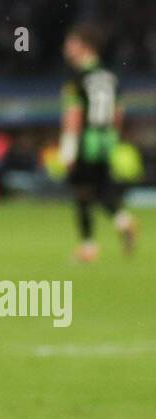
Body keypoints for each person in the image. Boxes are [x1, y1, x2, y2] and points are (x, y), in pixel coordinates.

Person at [60, 24, 137, 262]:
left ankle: (88, 246)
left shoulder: (77, 78)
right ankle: (123, 220)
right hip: (106, 139)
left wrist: (69, 148)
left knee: (82, 191)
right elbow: (119, 112)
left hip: (86, 139)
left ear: (84, 47)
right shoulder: (111, 76)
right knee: (100, 186)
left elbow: (73, 115)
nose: (66, 49)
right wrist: (112, 138)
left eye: (70, 43)